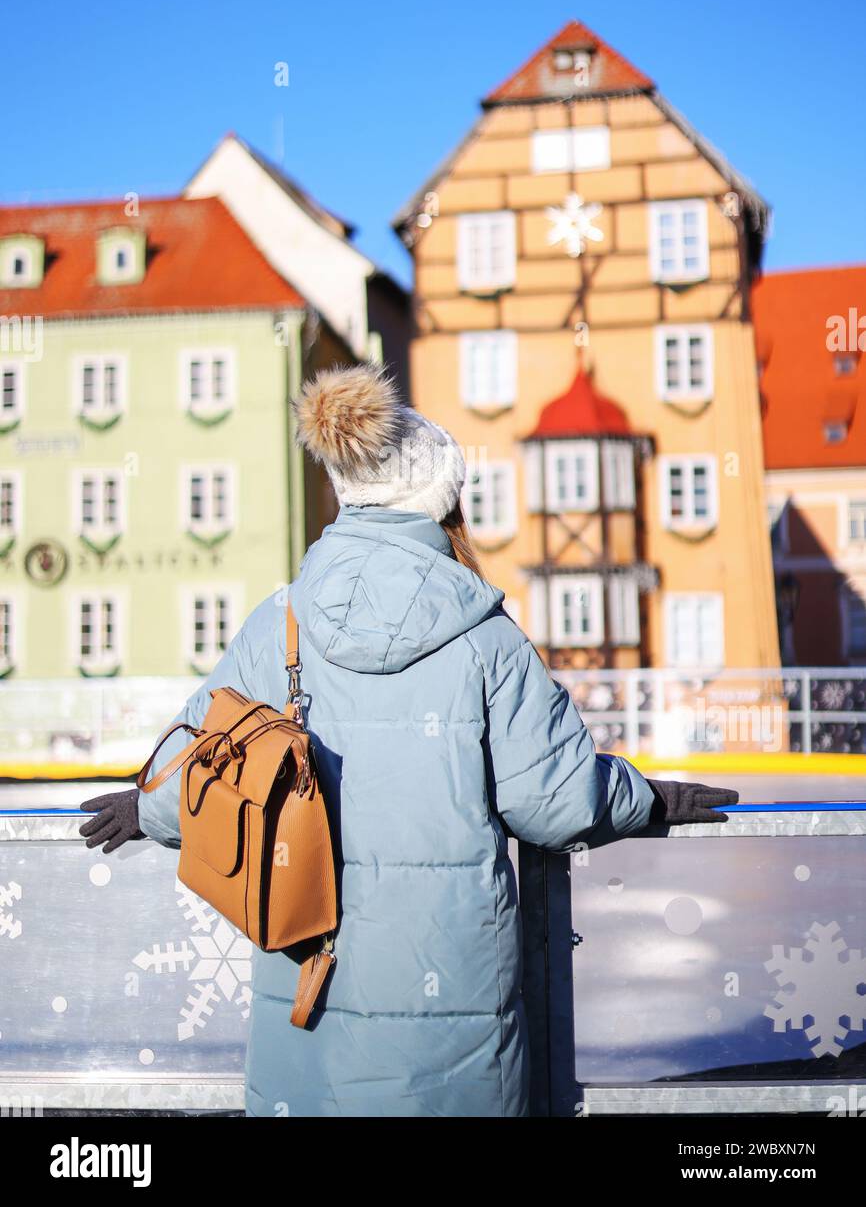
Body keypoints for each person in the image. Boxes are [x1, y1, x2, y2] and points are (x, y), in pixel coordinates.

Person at [80, 364, 736, 1118]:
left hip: (310, 993)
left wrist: (146, 811)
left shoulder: (281, 623)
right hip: (450, 1017)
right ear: (444, 504)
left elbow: (195, 768)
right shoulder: (486, 637)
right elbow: (553, 804)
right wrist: (647, 796)